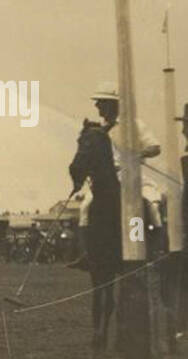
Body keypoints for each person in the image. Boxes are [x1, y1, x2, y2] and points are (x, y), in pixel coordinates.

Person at [68, 82, 161, 270]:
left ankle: (156, 249)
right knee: (85, 207)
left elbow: (155, 147)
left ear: (113, 104)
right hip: (108, 179)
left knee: (151, 206)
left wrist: (137, 155)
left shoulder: (135, 124)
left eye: (101, 102)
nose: (97, 107)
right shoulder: (98, 131)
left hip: (133, 177)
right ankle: (87, 254)